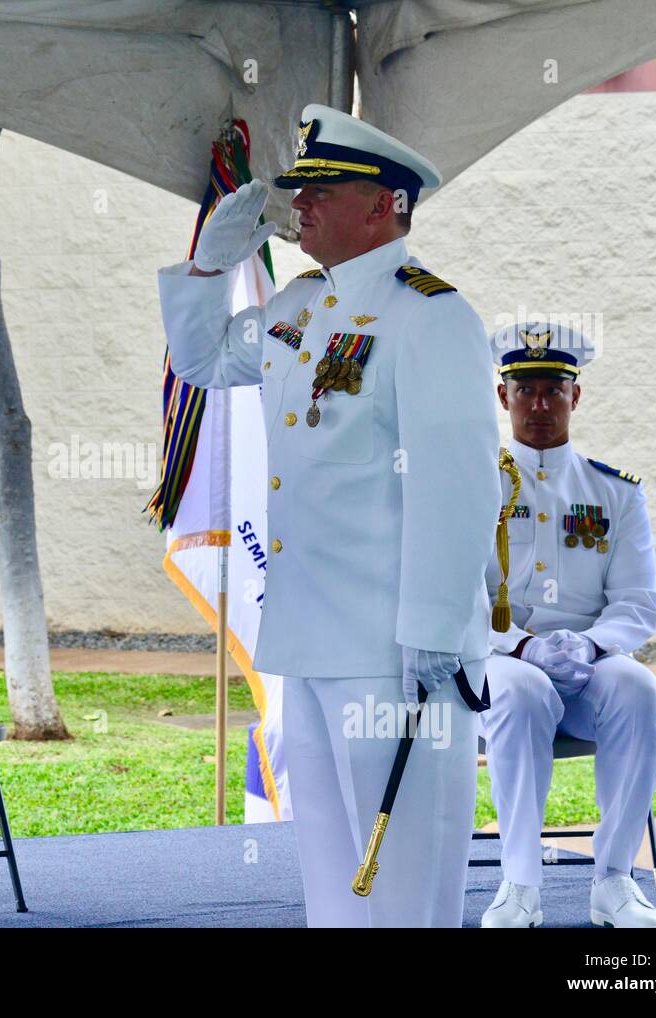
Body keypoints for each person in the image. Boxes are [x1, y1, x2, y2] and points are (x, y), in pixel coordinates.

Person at [157, 103, 499, 926]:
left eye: (323, 188)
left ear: (384, 204)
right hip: (307, 638)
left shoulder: (432, 317)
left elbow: (457, 485)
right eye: (298, 189)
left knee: (404, 878)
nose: (298, 205)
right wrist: (207, 269)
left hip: (393, 647)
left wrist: (432, 627)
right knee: (333, 877)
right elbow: (202, 361)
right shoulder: (296, 309)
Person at [480, 321, 656, 929]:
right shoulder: (473, 486)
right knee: (523, 688)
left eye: (553, 390)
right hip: (500, 663)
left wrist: (589, 642)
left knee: (641, 689)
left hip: (590, 664)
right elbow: (454, 595)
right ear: (503, 395)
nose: (540, 404)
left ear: (575, 397)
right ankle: (520, 885)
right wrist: (523, 646)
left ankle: (614, 880)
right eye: (526, 388)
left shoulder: (614, 493)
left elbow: (637, 601)